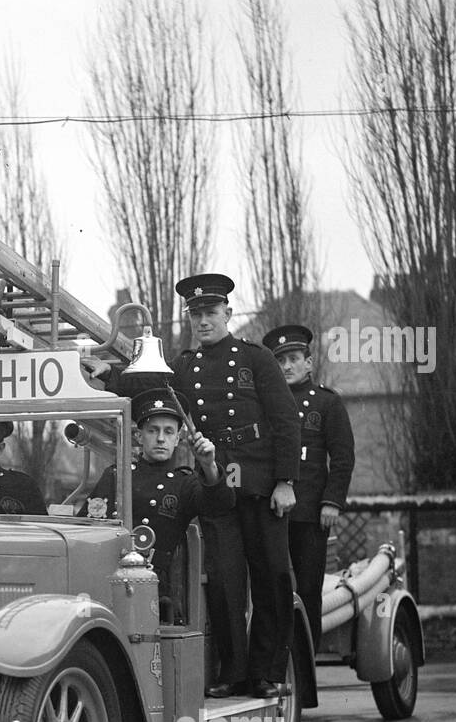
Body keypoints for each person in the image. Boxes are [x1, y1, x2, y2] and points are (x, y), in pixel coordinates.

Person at [170, 273, 301, 699]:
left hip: (262, 483)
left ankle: (268, 671)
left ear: (228, 313)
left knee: (272, 577)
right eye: (196, 315)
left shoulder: (256, 359)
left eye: (210, 313)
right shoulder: (186, 366)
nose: (203, 321)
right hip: (218, 482)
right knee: (225, 582)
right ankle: (235, 670)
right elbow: (150, 389)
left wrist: (285, 481)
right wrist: (109, 374)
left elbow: (285, 419)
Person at [81, 390, 233, 616]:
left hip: (162, 592)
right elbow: (88, 527)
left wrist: (209, 466)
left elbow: (221, 506)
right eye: (153, 430)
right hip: (110, 582)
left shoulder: (185, 482)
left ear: (177, 439)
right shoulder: (116, 476)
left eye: (168, 431)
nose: (161, 438)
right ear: (139, 437)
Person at [263, 325, 356, 653]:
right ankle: (276, 655)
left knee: (309, 586)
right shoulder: (266, 405)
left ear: (309, 362)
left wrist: (332, 502)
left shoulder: (326, 403)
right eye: (280, 361)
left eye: (293, 358)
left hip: (310, 513)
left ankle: (307, 658)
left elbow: (342, 457)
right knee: (272, 585)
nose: (286, 366)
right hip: (270, 512)